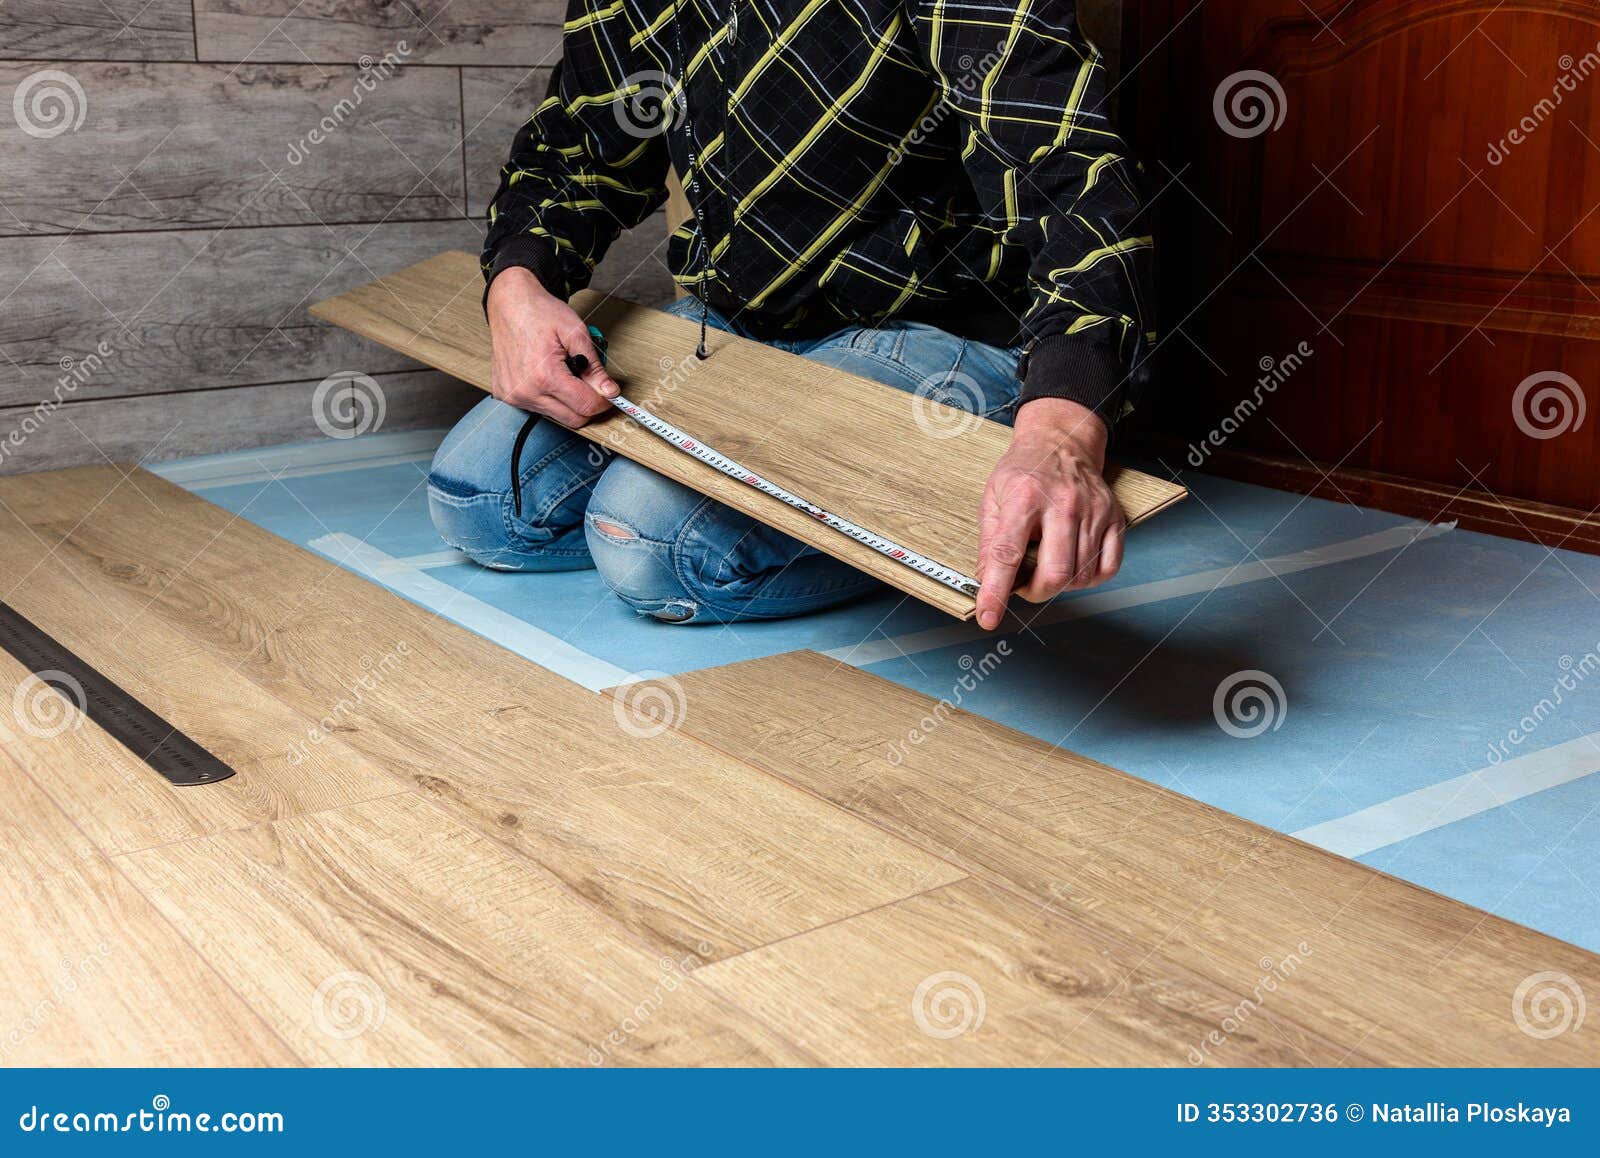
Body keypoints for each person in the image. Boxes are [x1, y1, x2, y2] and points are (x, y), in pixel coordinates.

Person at [427, 0, 1152, 629]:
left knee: (652, 546)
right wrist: (516, 287)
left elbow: (1069, 173)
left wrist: (1061, 433)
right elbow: (577, 151)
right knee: (479, 500)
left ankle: (949, 512)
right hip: (738, 324)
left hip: (937, 327)